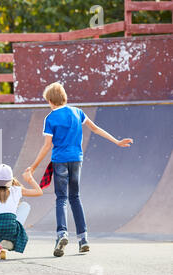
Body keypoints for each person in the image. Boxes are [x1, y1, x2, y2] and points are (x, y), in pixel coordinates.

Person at [25, 82, 133, 257]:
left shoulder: (50, 118)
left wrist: (33, 166)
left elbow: (46, 146)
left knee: (61, 198)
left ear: (51, 100)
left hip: (60, 161)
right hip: (76, 160)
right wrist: (117, 141)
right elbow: (96, 129)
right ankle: (83, 240)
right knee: (75, 197)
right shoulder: (77, 112)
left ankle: (62, 234)